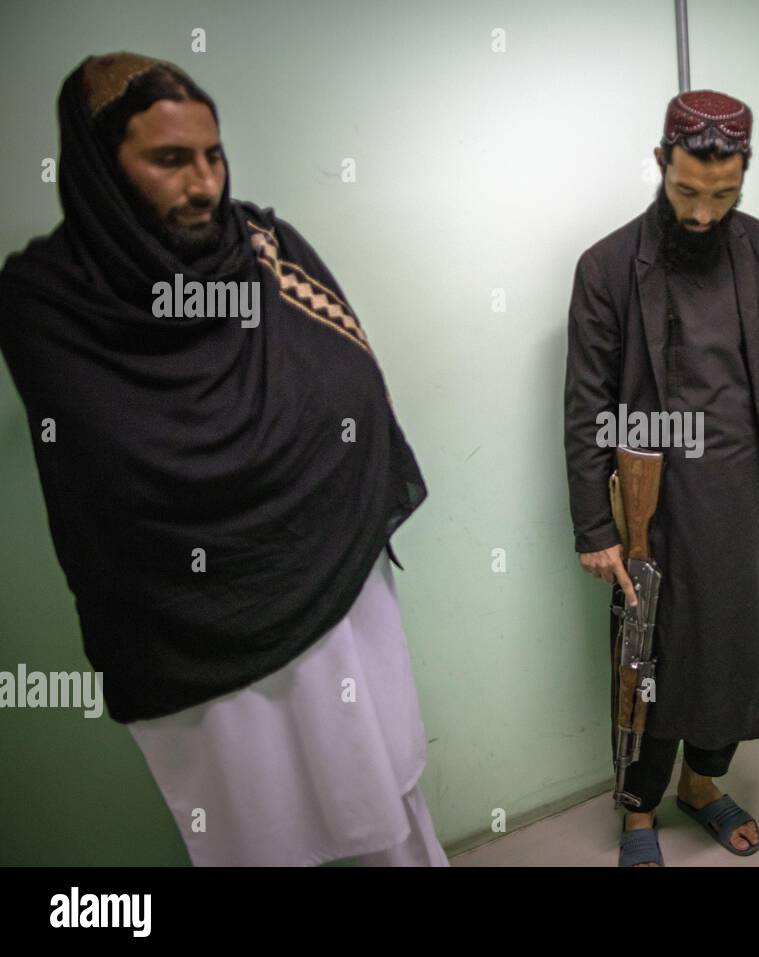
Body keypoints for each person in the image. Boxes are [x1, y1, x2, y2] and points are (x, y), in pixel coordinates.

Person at [0, 53, 448, 866]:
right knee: (258, 832)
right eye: (169, 159)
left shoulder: (264, 246)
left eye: (213, 155)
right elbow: (121, 468)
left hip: (337, 596)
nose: (203, 183)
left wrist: (296, 479)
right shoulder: (45, 302)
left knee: (381, 788)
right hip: (194, 631)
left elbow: (350, 383)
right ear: (102, 166)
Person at [564, 90, 759, 866]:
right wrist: (594, 527)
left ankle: (704, 784)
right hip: (653, 502)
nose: (703, 213)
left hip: (744, 490)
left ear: (745, 176)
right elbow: (585, 404)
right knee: (649, 658)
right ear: (660, 164)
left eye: (724, 195)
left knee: (737, 650)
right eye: (687, 192)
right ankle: (638, 813)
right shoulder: (606, 266)